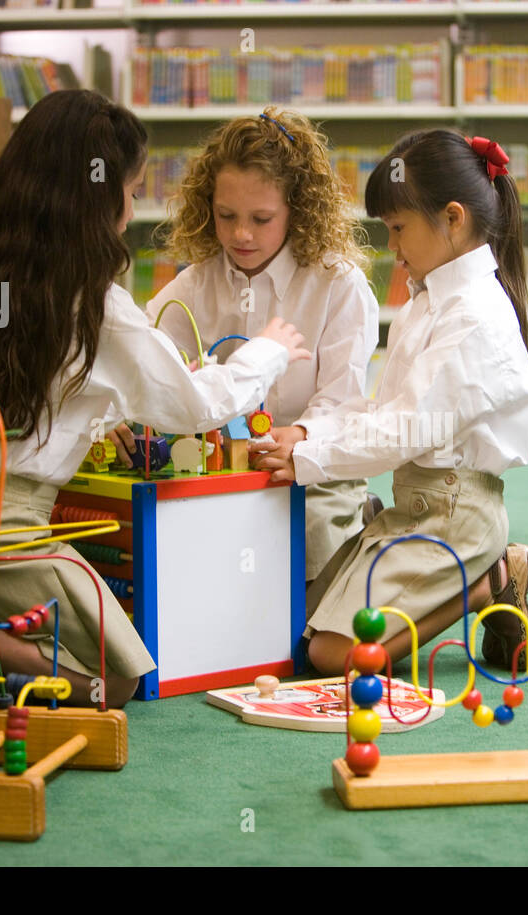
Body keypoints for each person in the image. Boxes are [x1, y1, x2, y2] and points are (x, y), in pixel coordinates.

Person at [0, 90, 309, 722]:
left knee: (72, 648)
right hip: (0, 528)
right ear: (101, 196)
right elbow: (198, 405)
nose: (130, 202)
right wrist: (265, 353)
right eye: (129, 186)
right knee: (114, 682)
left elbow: (46, 389)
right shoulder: (98, 305)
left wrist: (105, 409)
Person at [255, 130, 528, 674]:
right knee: (299, 631)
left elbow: (405, 431)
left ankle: (489, 579)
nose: (392, 248)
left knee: (335, 654)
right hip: (414, 508)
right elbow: (385, 410)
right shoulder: (425, 300)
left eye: (398, 229)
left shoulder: (474, 314)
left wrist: (306, 461)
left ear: (453, 219)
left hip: (456, 517)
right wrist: (309, 436)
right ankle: (468, 573)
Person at [140, 106, 379, 582]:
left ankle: (362, 517)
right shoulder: (194, 285)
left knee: (307, 606)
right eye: (226, 215)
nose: (240, 234)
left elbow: (342, 398)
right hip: (217, 474)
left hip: (312, 474)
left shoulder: (339, 285)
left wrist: (302, 437)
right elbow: (146, 364)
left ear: (299, 209)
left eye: (261, 218)